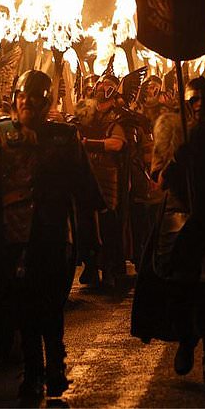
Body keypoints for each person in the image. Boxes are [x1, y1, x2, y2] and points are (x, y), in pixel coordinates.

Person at [0, 68, 101, 401]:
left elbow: (85, 191)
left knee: (51, 305)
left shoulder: (65, 139)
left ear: (44, 102)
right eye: (22, 98)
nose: (27, 105)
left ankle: (55, 367)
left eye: (34, 99)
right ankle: (33, 371)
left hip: (54, 232)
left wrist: (93, 238)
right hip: (15, 235)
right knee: (23, 307)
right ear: (14, 101)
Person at [130, 75, 205, 390]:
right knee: (180, 294)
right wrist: (175, 161)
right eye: (195, 100)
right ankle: (186, 341)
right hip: (178, 223)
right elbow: (158, 182)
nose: (201, 106)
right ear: (187, 103)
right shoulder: (173, 138)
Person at [73, 64, 132, 293]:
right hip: (87, 174)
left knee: (109, 225)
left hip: (109, 176)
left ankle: (111, 269)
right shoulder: (87, 114)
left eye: (108, 85)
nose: (102, 88)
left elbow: (117, 144)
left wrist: (90, 144)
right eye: (101, 84)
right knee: (86, 223)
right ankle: (90, 266)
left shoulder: (117, 116)